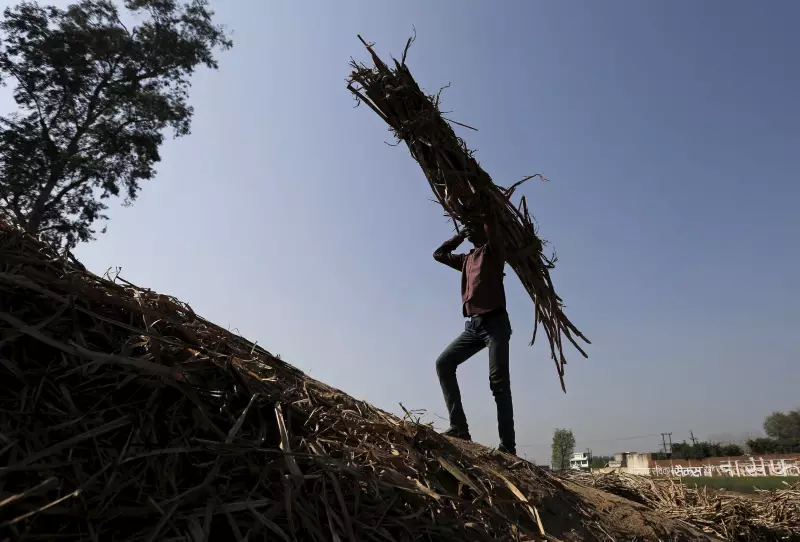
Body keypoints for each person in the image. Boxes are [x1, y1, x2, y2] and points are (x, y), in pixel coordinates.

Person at [433, 211, 516, 455]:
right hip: (473, 327)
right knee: (444, 364)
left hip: (496, 324)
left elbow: (493, 227)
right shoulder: (466, 259)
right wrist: (459, 235)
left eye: (473, 228)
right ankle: (459, 427)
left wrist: (483, 213)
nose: (471, 232)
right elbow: (438, 254)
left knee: (498, 382)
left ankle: (507, 447)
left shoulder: (494, 252)